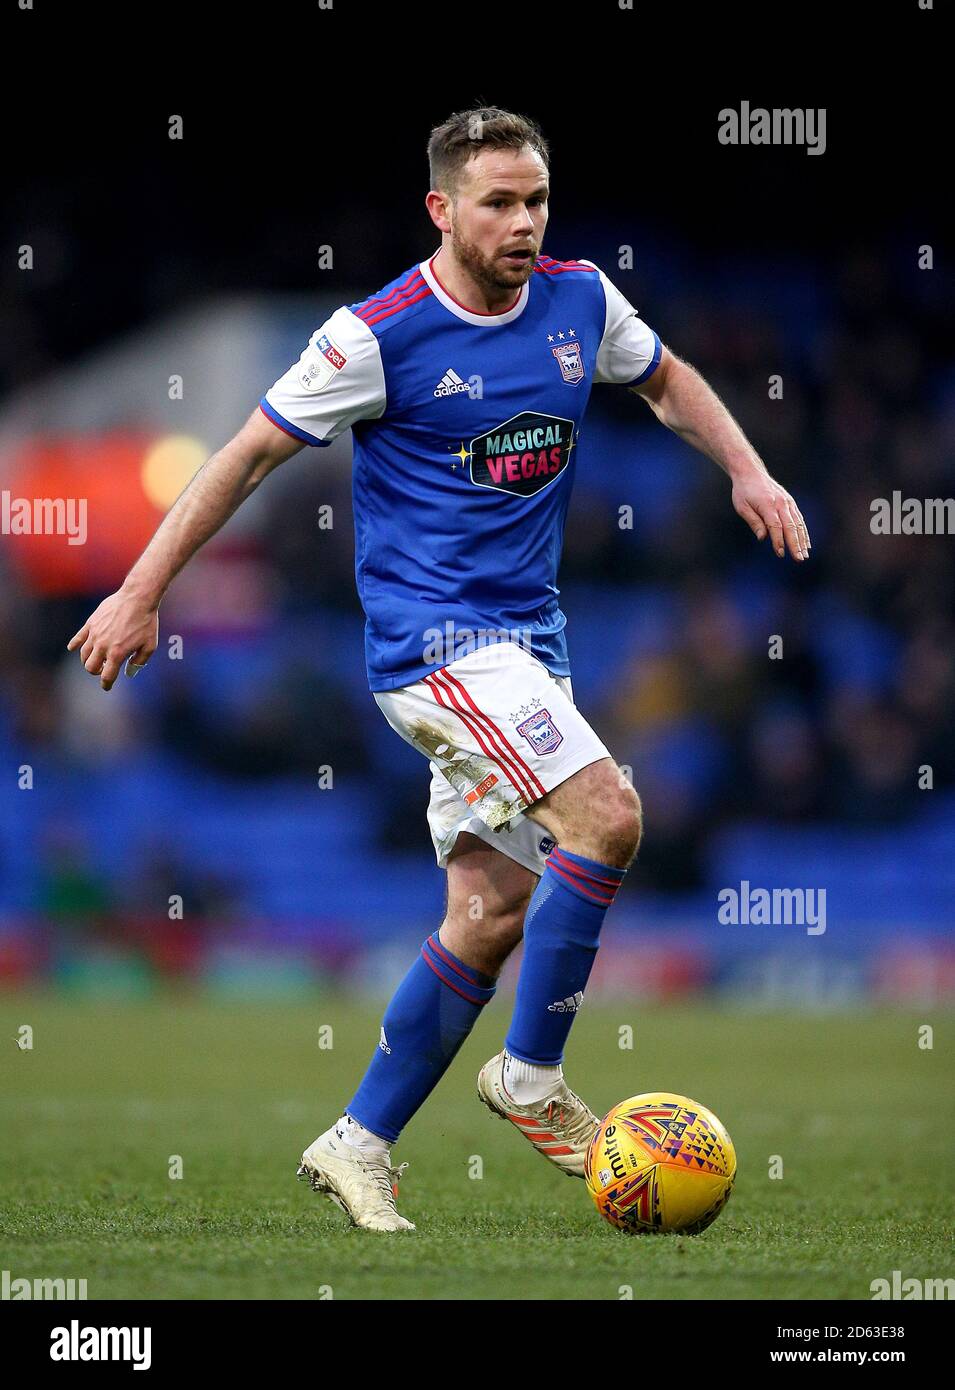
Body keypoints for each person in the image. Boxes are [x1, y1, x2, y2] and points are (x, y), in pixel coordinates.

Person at [68, 106, 810, 1232]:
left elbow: (669, 381)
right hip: (438, 646)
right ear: (442, 209)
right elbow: (246, 456)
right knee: (607, 816)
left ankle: (355, 1140)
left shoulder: (580, 301)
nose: (522, 222)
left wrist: (748, 472)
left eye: (537, 200)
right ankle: (530, 1076)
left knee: (491, 908)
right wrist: (140, 589)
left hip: (532, 643)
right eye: (498, 203)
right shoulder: (374, 336)